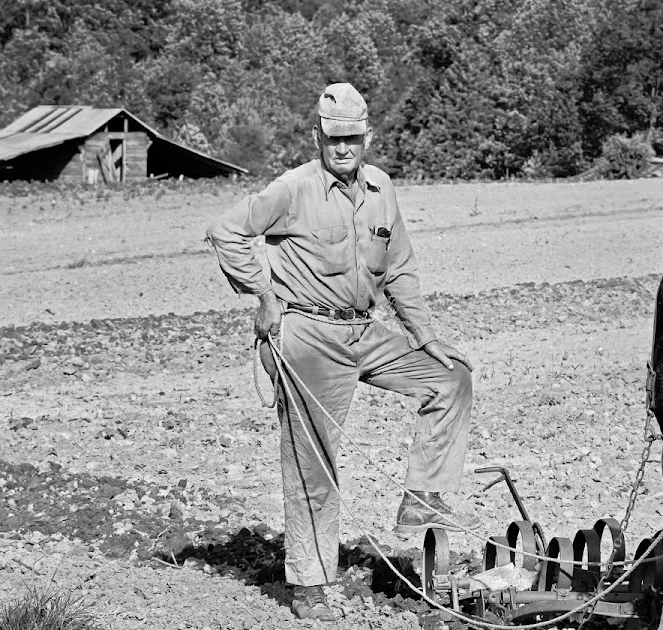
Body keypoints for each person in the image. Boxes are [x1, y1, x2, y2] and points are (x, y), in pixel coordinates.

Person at [206, 83, 481, 622]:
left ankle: (424, 498)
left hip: (365, 330)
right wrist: (265, 296)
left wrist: (424, 336)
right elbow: (226, 232)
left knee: (450, 380)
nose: (344, 149)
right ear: (318, 137)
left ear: (368, 137)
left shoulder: (381, 190)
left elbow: (398, 267)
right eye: (334, 139)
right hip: (308, 335)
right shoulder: (293, 189)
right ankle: (308, 583)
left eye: (353, 138)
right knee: (314, 463)